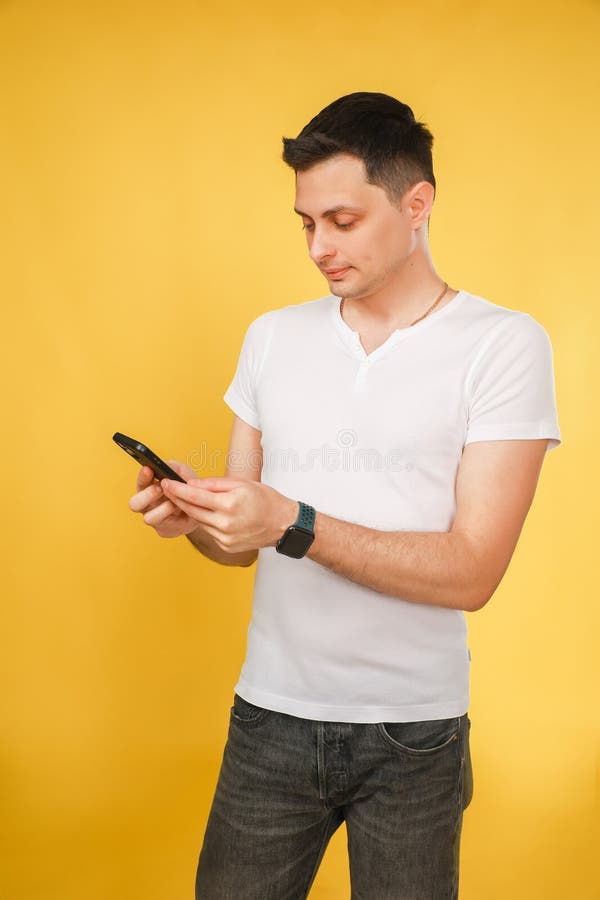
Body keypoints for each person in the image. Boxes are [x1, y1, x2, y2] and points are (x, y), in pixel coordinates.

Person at [128, 92, 561, 899]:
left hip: (414, 738)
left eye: (343, 220)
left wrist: (290, 521)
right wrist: (196, 518)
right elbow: (240, 544)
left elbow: (473, 572)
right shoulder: (272, 338)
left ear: (417, 204)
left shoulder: (503, 346)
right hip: (268, 720)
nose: (319, 247)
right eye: (306, 224)